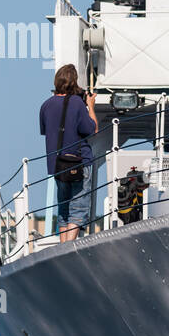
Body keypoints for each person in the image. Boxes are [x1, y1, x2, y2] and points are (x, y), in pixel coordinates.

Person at [39, 65, 98, 243]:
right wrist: (90, 106)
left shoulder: (46, 105)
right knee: (78, 210)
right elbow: (92, 129)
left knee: (64, 209)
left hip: (57, 165)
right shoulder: (77, 103)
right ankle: (68, 249)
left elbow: (45, 131)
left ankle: (62, 248)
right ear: (73, 82)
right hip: (79, 162)